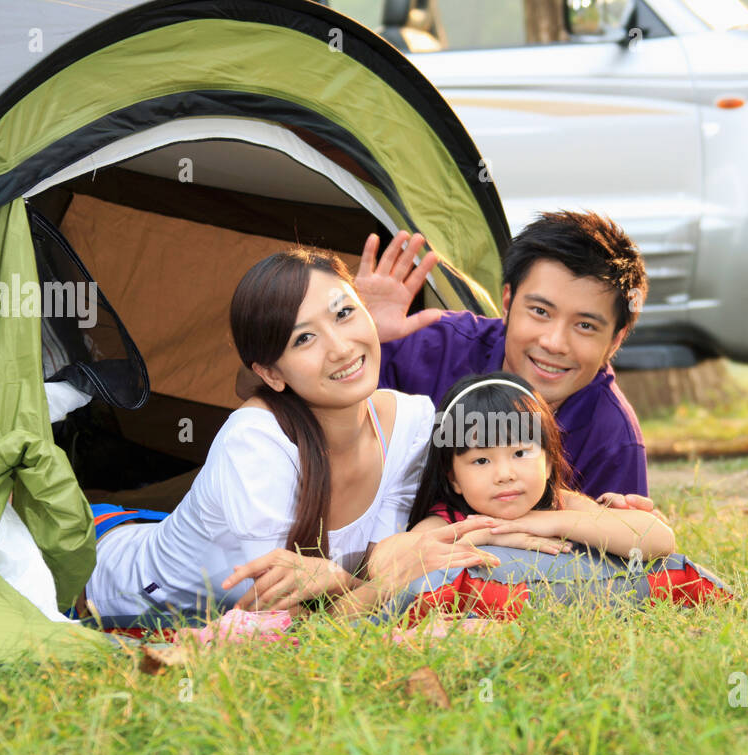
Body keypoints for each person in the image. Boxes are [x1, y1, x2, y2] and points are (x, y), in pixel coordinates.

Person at [83, 249, 498, 620]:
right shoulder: (256, 444)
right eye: (304, 338)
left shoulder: (412, 423)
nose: (339, 347)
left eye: (344, 313)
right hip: (117, 584)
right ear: (270, 373)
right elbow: (290, 624)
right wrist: (375, 582)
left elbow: (501, 490)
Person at [363, 211, 651, 499]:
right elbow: (331, 433)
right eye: (540, 312)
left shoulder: (613, 439)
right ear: (507, 302)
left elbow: (623, 535)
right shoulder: (432, 347)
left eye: (585, 326)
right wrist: (359, 338)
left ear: (615, 340)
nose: (554, 343)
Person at [407, 372, 675, 561]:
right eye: (481, 460)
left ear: (548, 462)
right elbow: (398, 565)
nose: (505, 475)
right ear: (453, 478)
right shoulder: (447, 522)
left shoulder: (562, 505)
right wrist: (488, 536)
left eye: (520, 452)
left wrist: (550, 522)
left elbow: (660, 540)